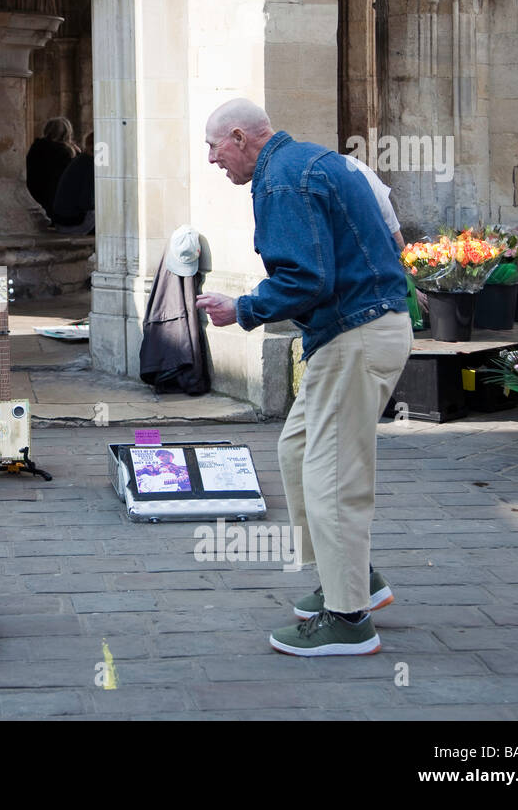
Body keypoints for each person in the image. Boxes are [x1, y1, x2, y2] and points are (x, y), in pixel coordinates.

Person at [195, 98, 411, 657]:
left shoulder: (282, 181)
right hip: (355, 331)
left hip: (355, 335)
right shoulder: (314, 163)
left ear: (239, 136)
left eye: (213, 147)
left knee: (332, 474)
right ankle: (355, 578)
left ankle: (348, 621)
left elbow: (305, 279)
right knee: (297, 451)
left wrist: (240, 308)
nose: (212, 160)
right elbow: (389, 236)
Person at [25, 116, 78, 220]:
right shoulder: (65, 152)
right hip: (55, 202)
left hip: (35, 197)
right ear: (67, 133)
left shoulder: (36, 147)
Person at [51, 130, 96, 233]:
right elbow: (86, 202)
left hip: (61, 221)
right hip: (72, 224)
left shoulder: (82, 159)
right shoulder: (89, 164)